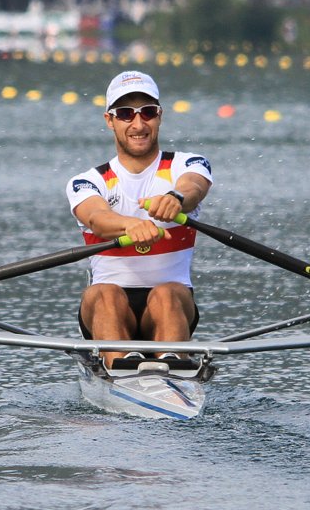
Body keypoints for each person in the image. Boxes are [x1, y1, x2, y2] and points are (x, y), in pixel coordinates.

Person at [66, 71, 213, 370]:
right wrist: (129, 225)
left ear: (159, 116)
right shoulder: (88, 180)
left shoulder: (186, 164)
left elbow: (194, 186)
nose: (138, 124)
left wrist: (176, 199)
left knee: (168, 293)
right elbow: (96, 217)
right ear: (110, 120)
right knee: (104, 293)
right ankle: (121, 364)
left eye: (147, 112)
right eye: (125, 114)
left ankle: (171, 368)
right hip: (107, 309)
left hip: (172, 306)